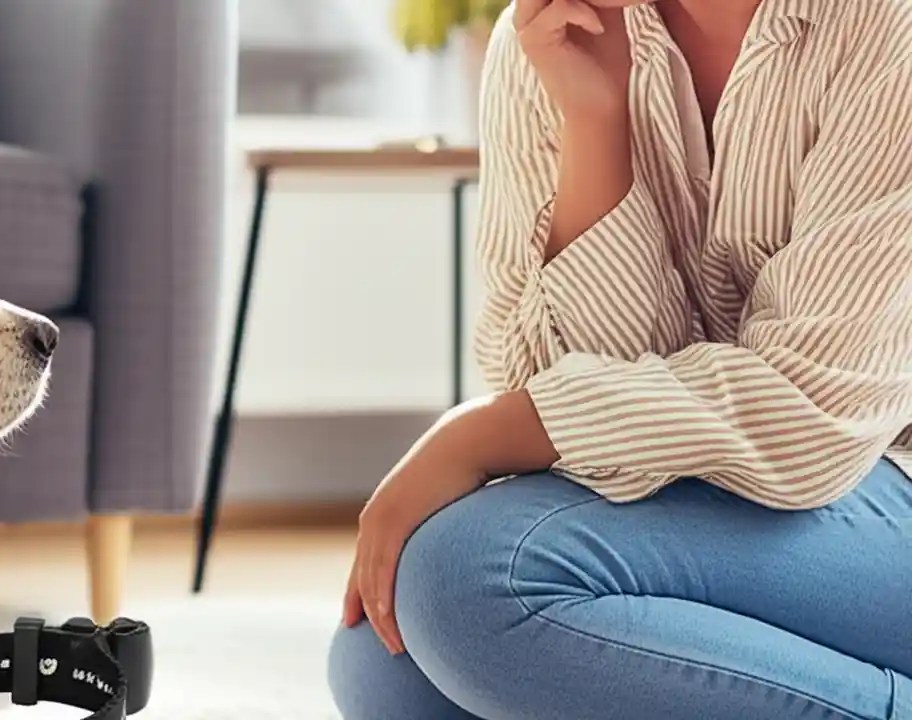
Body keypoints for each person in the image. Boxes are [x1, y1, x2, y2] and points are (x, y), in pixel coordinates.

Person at [327, 0, 912, 718]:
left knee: (470, 584)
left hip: (881, 479)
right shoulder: (546, 38)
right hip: (723, 495)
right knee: (388, 657)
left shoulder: (886, 27)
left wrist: (479, 434)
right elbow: (583, 425)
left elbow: (810, 421)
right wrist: (595, 127)